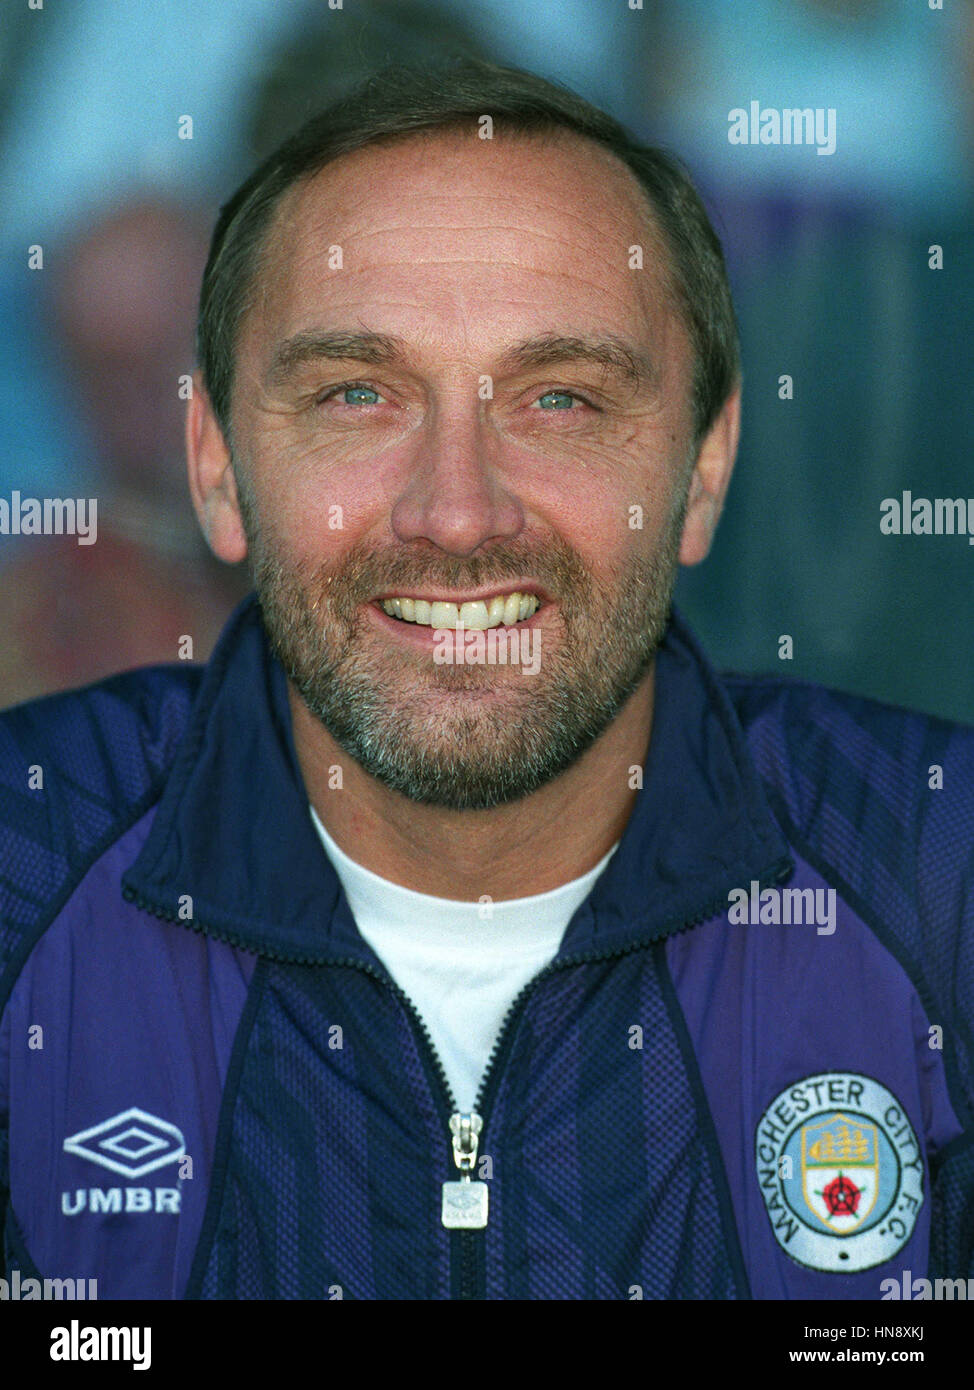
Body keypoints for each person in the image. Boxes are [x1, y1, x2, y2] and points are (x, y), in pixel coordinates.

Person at [1, 61, 971, 1302]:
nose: (457, 511)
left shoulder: (940, 877)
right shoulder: (23, 867)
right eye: (358, 395)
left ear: (705, 466)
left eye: (559, 398)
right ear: (215, 466)